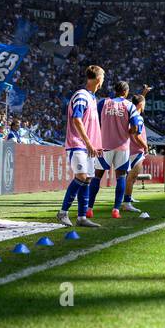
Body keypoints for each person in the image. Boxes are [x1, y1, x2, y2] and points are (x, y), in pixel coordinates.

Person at [57, 65, 104, 228]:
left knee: (88, 179)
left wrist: (95, 144)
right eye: (103, 78)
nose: (103, 81)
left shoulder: (92, 98)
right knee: (82, 177)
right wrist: (89, 143)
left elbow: (90, 124)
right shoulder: (82, 95)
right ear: (98, 79)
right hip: (77, 144)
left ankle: (82, 217)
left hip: (88, 147)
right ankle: (63, 213)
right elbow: (77, 120)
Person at [94, 80, 148, 219]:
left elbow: (95, 119)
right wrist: (127, 130)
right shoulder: (129, 106)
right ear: (125, 92)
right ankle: (116, 209)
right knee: (121, 177)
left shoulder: (103, 103)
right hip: (122, 146)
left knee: (97, 176)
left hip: (104, 145)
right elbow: (135, 129)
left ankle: (88, 209)